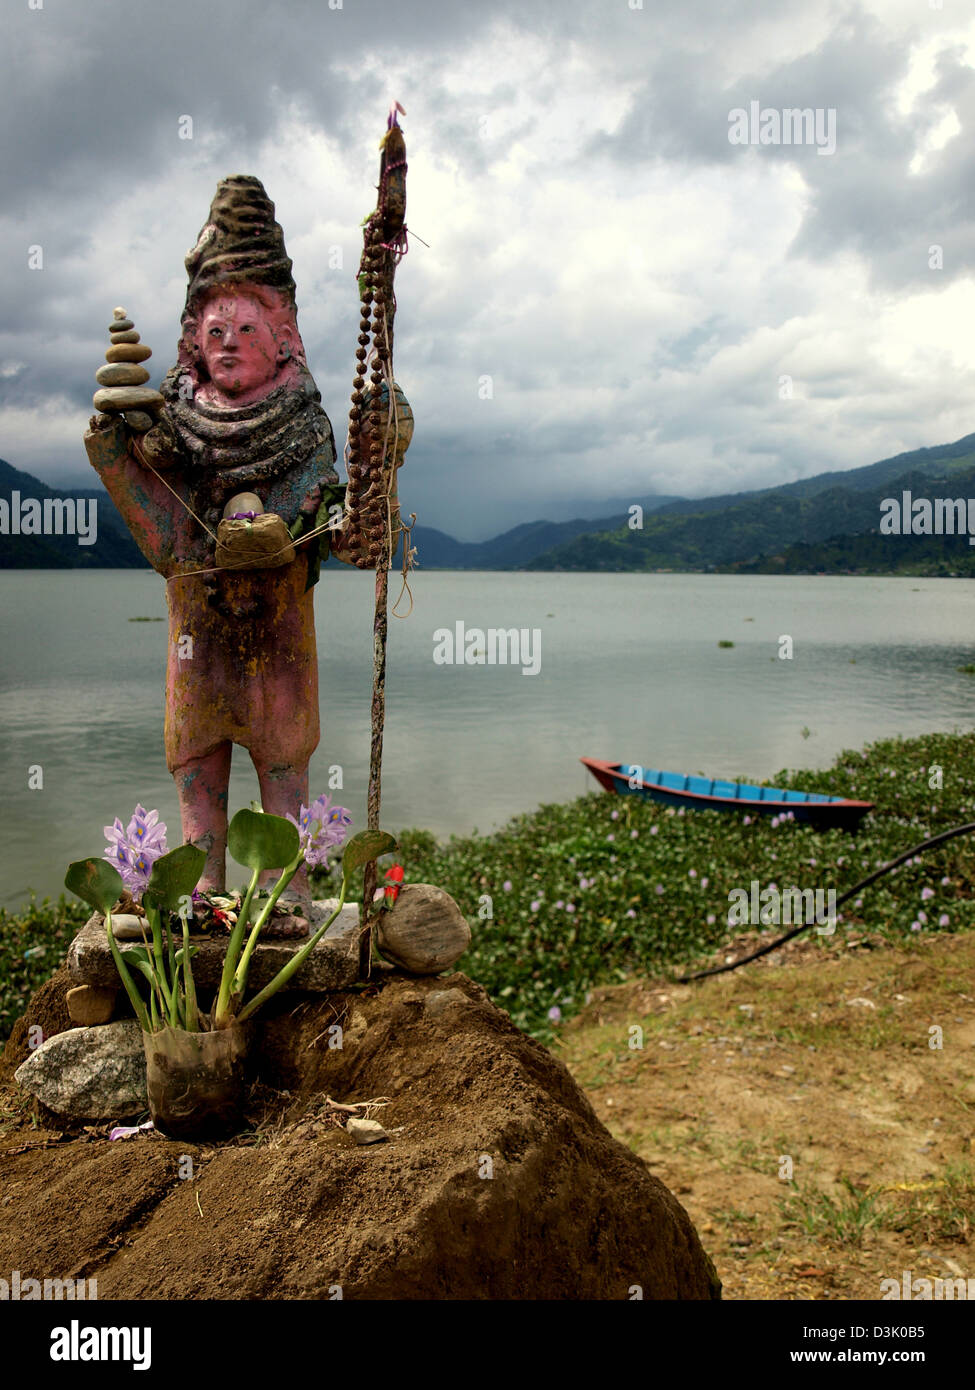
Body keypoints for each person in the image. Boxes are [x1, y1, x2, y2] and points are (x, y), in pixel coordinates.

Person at [84, 175, 410, 899]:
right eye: (214, 333)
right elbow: (166, 542)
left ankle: (284, 900)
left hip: (280, 631)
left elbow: (344, 531)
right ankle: (198, 896)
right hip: (196, 632)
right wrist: (111, 455)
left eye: (247, 331)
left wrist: (381, 460)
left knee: (283, 767)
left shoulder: (305, 429)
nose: (228, 344)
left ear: (285, 341)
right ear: (191, 345)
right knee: (197, 767)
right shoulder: (167, 436)